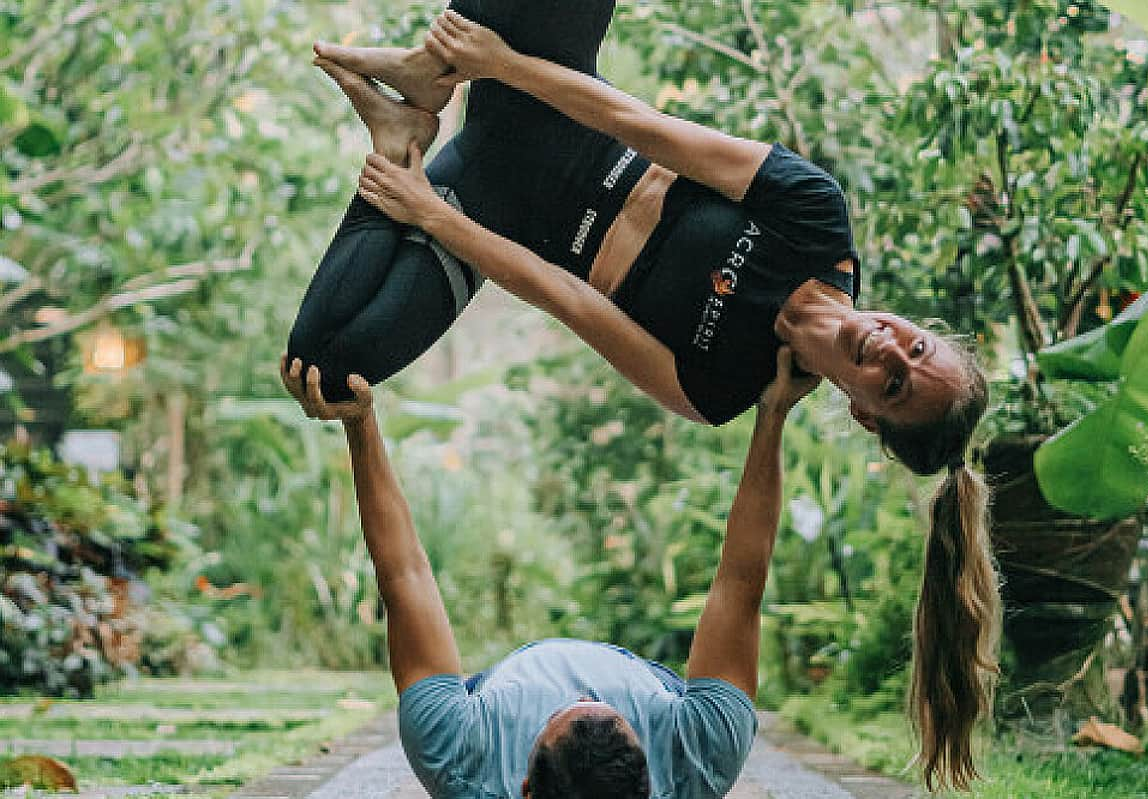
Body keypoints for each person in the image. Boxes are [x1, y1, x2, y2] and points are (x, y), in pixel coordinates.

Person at [287, 1, 1000, 790]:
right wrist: (498, 64)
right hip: (545, 104)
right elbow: (641, 124)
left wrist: (426, 210)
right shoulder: (814, 217)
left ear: (868, 413)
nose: (890, 350)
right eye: (918, 344)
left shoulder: (719, 389)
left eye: (894, 383)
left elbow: (568, 296)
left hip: (492, 202)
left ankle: (403, 132)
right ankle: (433, 78)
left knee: (323, 366)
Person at [279, 347, 818, 798]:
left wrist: (359, 421)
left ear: (522, 788)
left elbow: (404, 576)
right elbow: (740, 583)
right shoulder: (699, 758)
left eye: (570, 710)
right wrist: (773, 414)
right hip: (656, 696)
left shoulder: (461, 759)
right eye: (601, 708)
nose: (581, 693)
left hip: (499, 701)